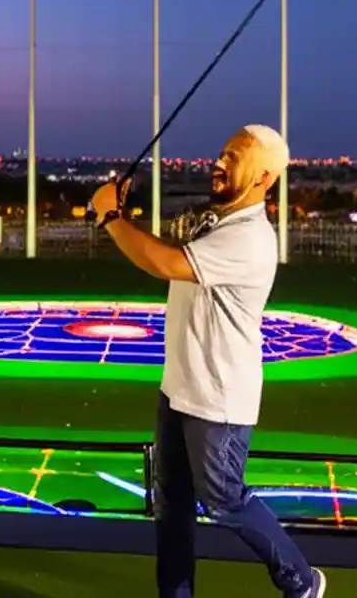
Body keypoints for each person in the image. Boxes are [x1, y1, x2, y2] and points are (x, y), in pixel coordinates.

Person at [90, 124, 326, 598]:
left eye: (234, 157)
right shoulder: (219, 223)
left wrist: (111, 216)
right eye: (221, 152)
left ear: (263, 178)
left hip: (218, 400)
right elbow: (171, 253)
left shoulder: (250, 238)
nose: (219, 162)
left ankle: (300, 580)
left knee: (223, 500)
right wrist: (123, 216)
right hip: (179, 388)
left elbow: (166, 264)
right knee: (171, 505)